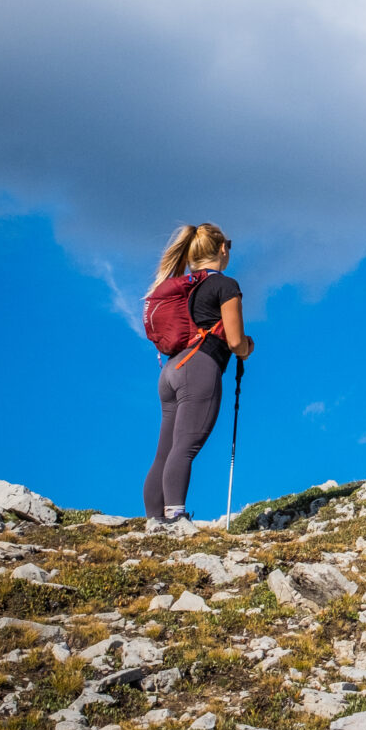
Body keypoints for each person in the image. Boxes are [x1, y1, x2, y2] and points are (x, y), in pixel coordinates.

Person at [142, 223, 254, 524]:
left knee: (165, 451)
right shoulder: (225, 286)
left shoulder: (186, 287)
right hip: (199, 368)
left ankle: (154, 521)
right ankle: (175, 517)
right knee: (185, 446)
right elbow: (235, 341)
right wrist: (247, 348)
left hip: (171, 370)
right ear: (222, 249)